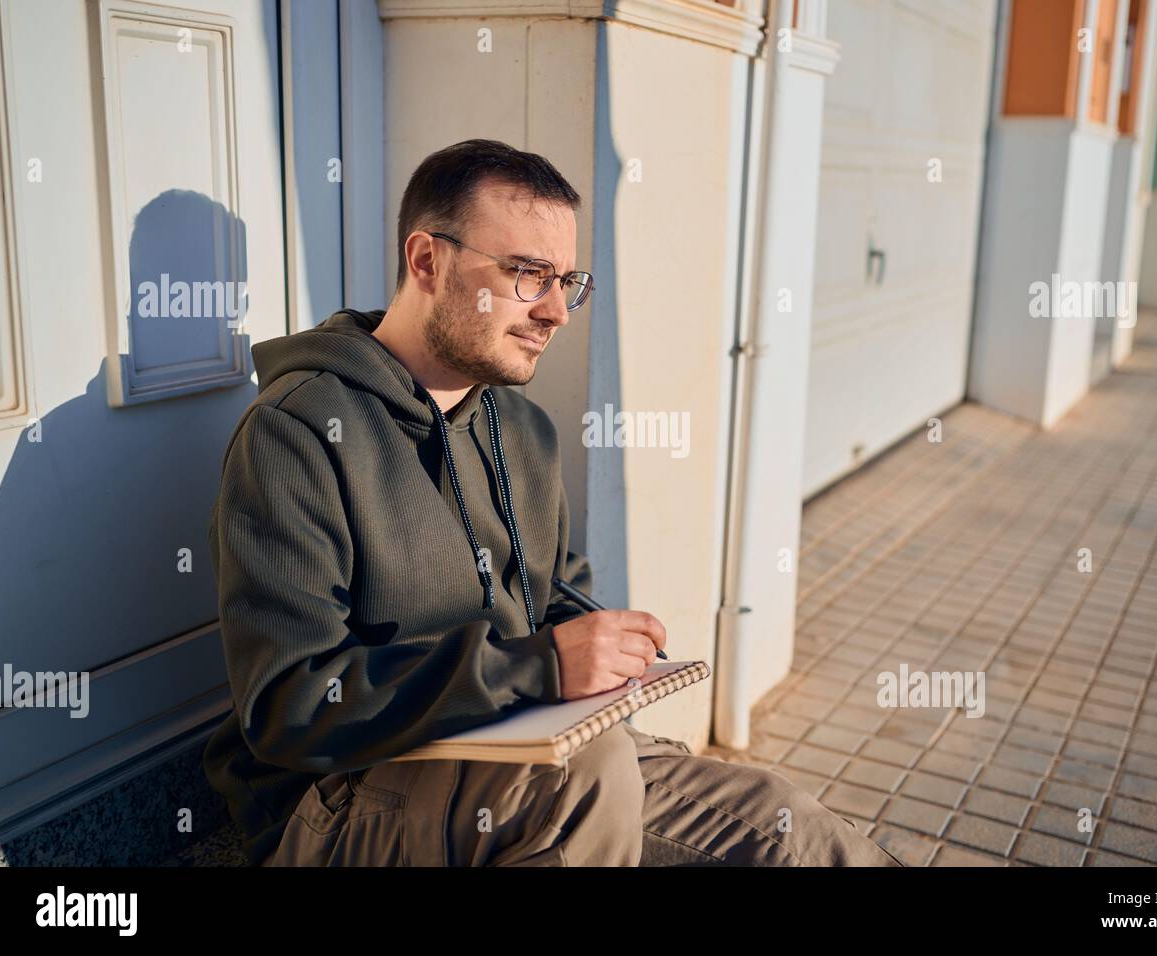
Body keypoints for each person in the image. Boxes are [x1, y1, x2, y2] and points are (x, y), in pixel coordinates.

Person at [203, 138, 902, 867]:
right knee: (591, 780)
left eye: (568, 280)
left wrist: (605, 651)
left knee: (788, 830)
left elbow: (553, 602)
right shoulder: (297, 432)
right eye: (528, 275)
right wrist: (537, 668)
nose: (558, 312)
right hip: (347, 803)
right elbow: (290, 705)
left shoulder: (521, 429)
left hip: (538, 754)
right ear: (427, 262)